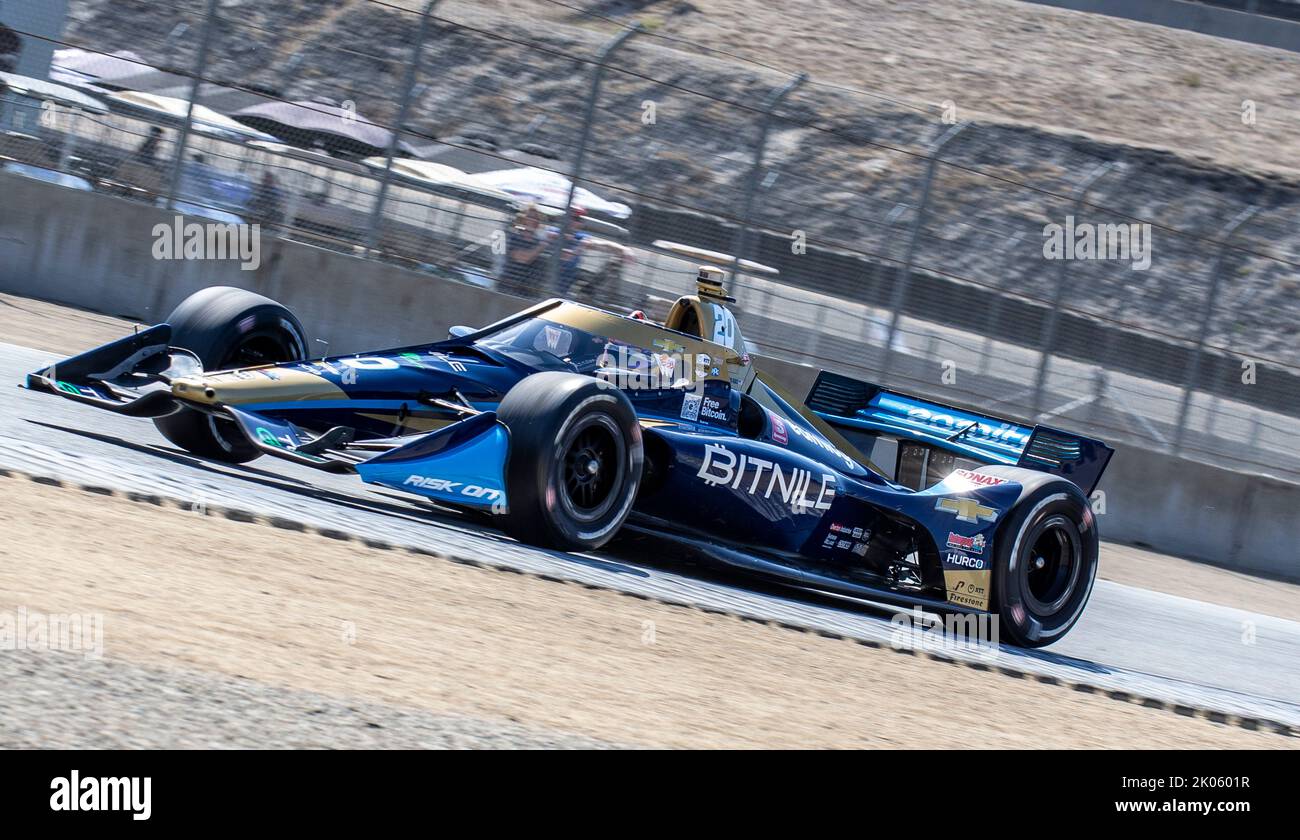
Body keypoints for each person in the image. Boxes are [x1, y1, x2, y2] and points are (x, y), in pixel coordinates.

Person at [500, 204, 547, 297]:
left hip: (527, 289)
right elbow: (522, 258)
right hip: (508, 286)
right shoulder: (514, 237)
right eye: (530, 217)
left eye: (536, 218)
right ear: (523, 219)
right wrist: (541, 247)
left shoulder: (537, 241)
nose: (534, 220)